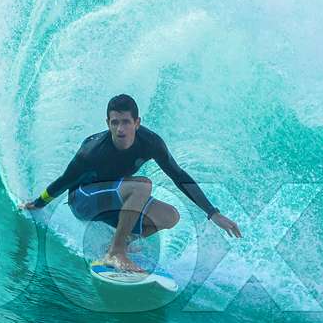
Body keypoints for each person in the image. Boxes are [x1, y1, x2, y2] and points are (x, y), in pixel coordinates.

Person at [20, 94, 242, 271]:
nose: (120, 129)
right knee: (142, 185)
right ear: (107, 123)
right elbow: (64, 181)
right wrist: (38, 203)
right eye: (114, 123)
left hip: (115, 199)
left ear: (137, 122)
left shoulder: (151, 143)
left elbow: (179, 176)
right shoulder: (92, 151)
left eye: (126, 122)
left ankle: (120, 243)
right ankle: (115, 253)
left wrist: (213, 213)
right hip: (83, 200)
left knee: (170, 216)